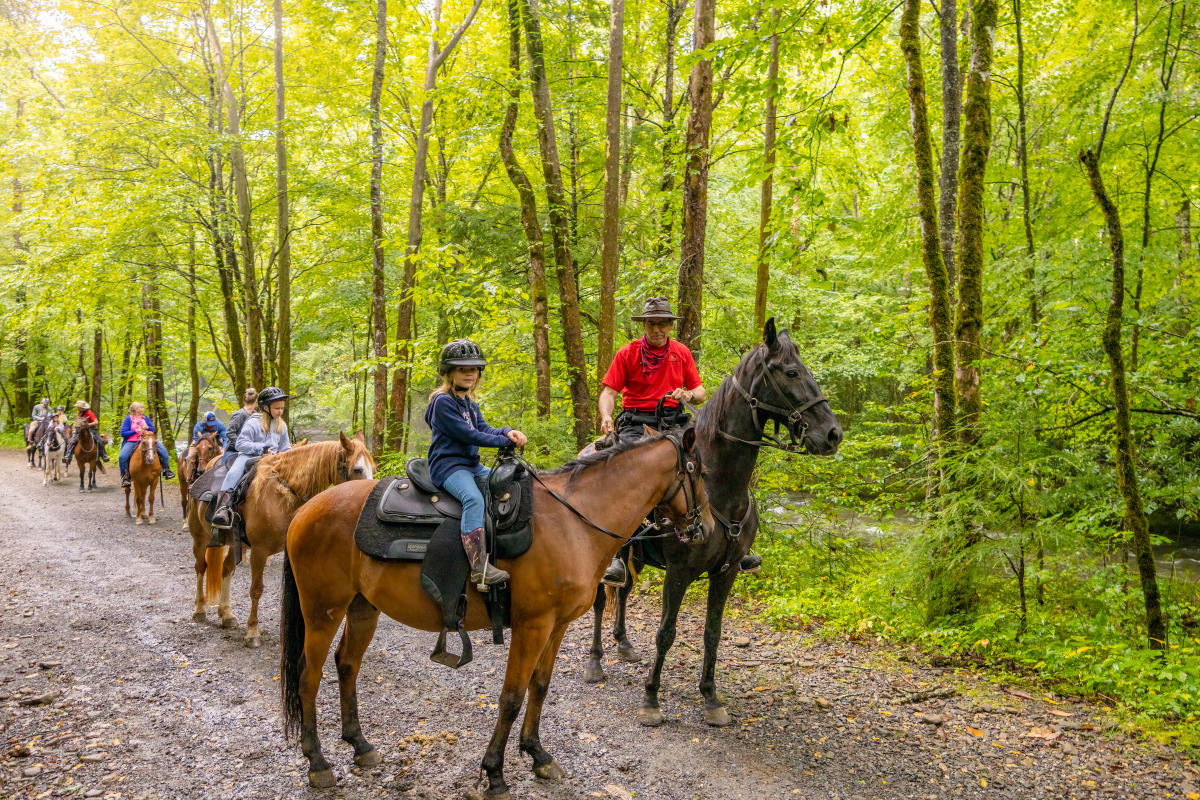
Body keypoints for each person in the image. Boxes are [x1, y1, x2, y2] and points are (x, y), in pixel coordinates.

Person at [597, 297, 761, 582]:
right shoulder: (628, 353)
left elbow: (700, 392)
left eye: (662, 323)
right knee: (624, 477)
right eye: (651, 323)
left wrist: (686, 395)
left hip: (674, 422)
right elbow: (609, 392)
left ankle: (735, 543)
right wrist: (606, 416)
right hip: (637, 423)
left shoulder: (681, 353)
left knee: (713, 462)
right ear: (644, 325)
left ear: (670, 325)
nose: (657, 329)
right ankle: (619, 555)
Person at [424, 339, 527, 587]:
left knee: (513, 483)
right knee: (473, 499)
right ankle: (479, 567)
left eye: (473, 369)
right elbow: (469, 435)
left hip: (470, 465)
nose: (469, 374)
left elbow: (483, 428)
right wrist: (503, 441)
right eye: (462, 369)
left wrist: (507, 431)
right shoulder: (443, 402)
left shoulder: (469, 402)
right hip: (448, 467)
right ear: (449, 372)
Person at [210, 386, 290, 532]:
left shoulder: (282, 426)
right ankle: (223, 509)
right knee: (234, 473)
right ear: (265, 407)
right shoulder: (253, 423)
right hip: (248, 457)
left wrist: (287, 457)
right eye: (277, 408)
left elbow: (285, 448)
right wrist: (261, 447)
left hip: (274, 460)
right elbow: (240, 444)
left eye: (282, 408)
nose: (280, 411)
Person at [118, 402, 175, 487]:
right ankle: (125, 476)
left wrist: (147, 427)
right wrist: (135, 431)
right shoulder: (128, 419)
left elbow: (153, 428)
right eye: (140, 408)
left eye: (142, 408)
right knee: (122, 457)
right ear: (135, 409)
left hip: (147, 440)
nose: (142, 409)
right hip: (132, 441)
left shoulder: (145, 418)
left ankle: (166, 470)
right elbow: (123, 433)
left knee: (163, 451)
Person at [63, 400, 109, 468]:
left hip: (91, 429)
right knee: (73, 440)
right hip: (81, 429)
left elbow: (96, 422)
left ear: (83, 407)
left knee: (99, 440)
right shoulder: (79, 412)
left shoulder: (89, 413)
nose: (78, 408)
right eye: (78, 407)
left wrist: (88, 424)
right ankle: (68, 455)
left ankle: (104, 455)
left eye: (79, 407)